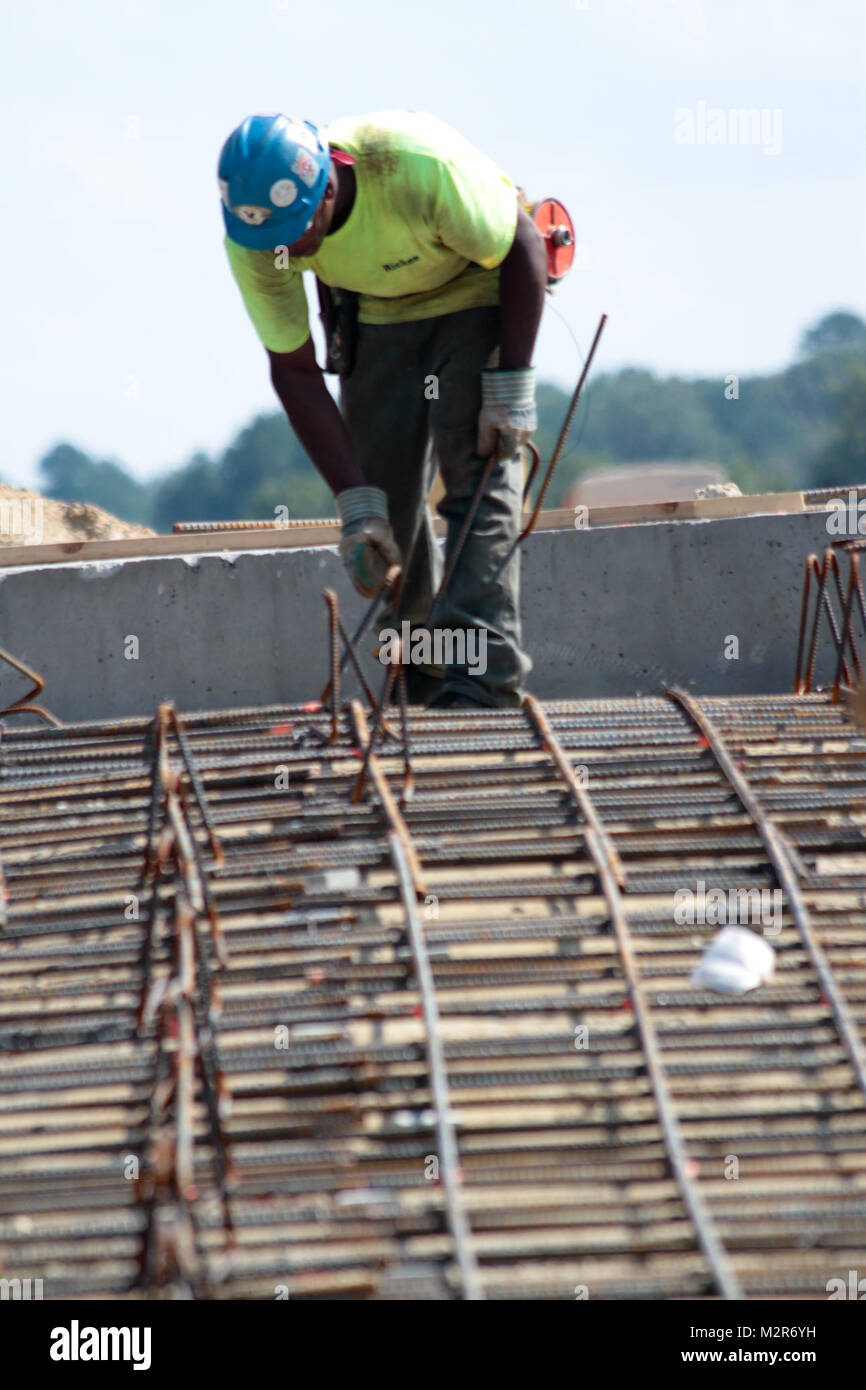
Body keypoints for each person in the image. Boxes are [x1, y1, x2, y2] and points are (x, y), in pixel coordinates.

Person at [218, 110, 547, 707]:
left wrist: (512, 384)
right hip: (375, 313)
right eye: (272, 242)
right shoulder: (259, 240)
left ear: (327, 185)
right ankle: (418, 676)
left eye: (296, 232)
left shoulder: (414, 168)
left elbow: (524, 240)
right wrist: (354, 502)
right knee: (387, 510)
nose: (285, 251)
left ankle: (480, 685)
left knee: (477, 477)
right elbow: (293, 369)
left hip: (473, 288)